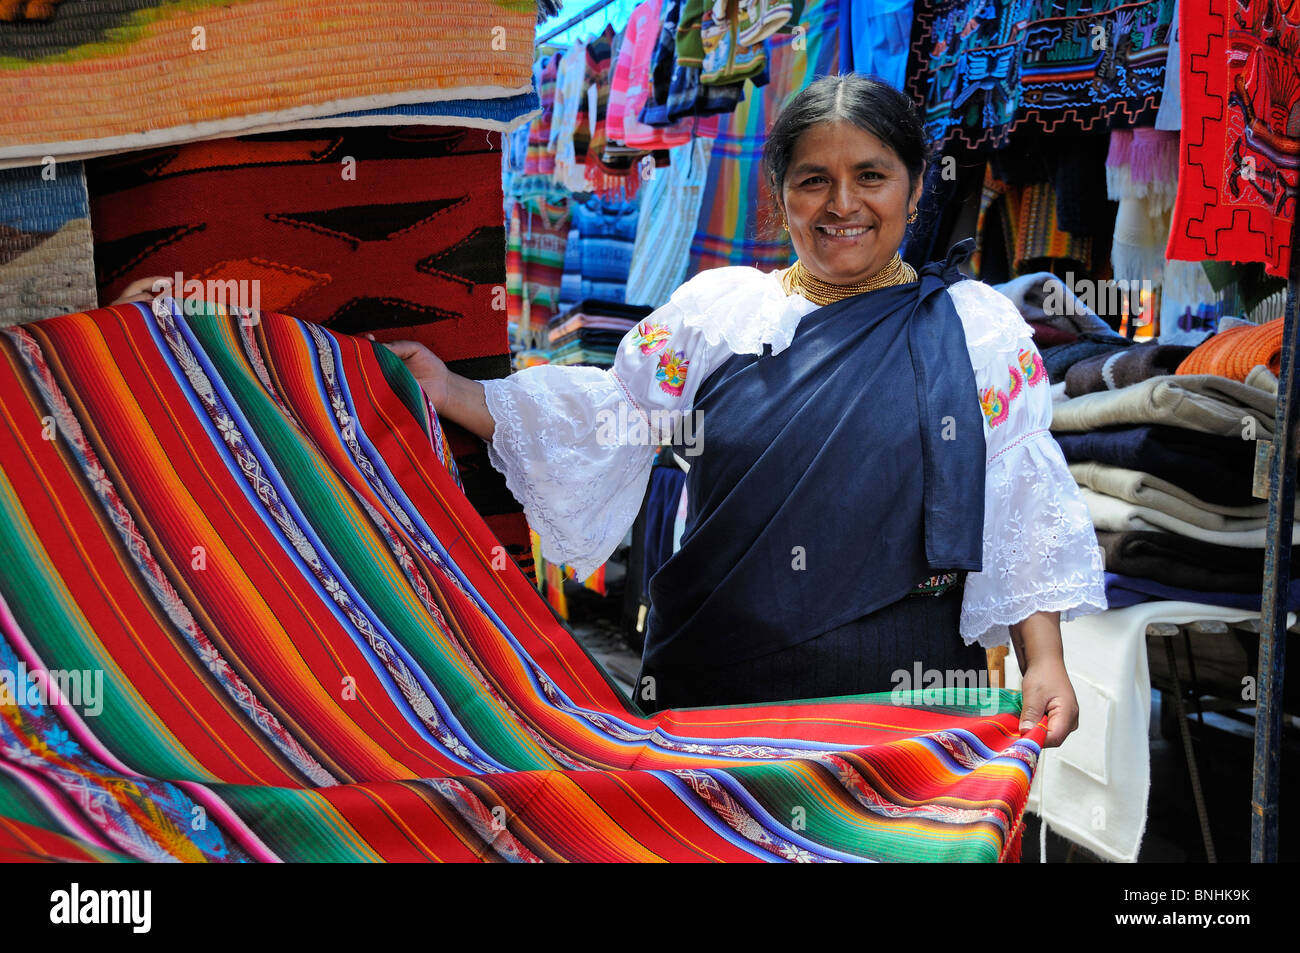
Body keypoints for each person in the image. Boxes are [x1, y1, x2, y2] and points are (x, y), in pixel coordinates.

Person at [373, 76, 1105, 746]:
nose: (842, 204)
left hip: (905, 698)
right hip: (715, 687)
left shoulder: (977, 330)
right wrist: (453, 393)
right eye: (814, 180)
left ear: (915, 193)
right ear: (781, 196)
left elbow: (1019, 500)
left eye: (871, 177)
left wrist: (1045, 659)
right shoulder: (718, 314)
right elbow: (610, 415)